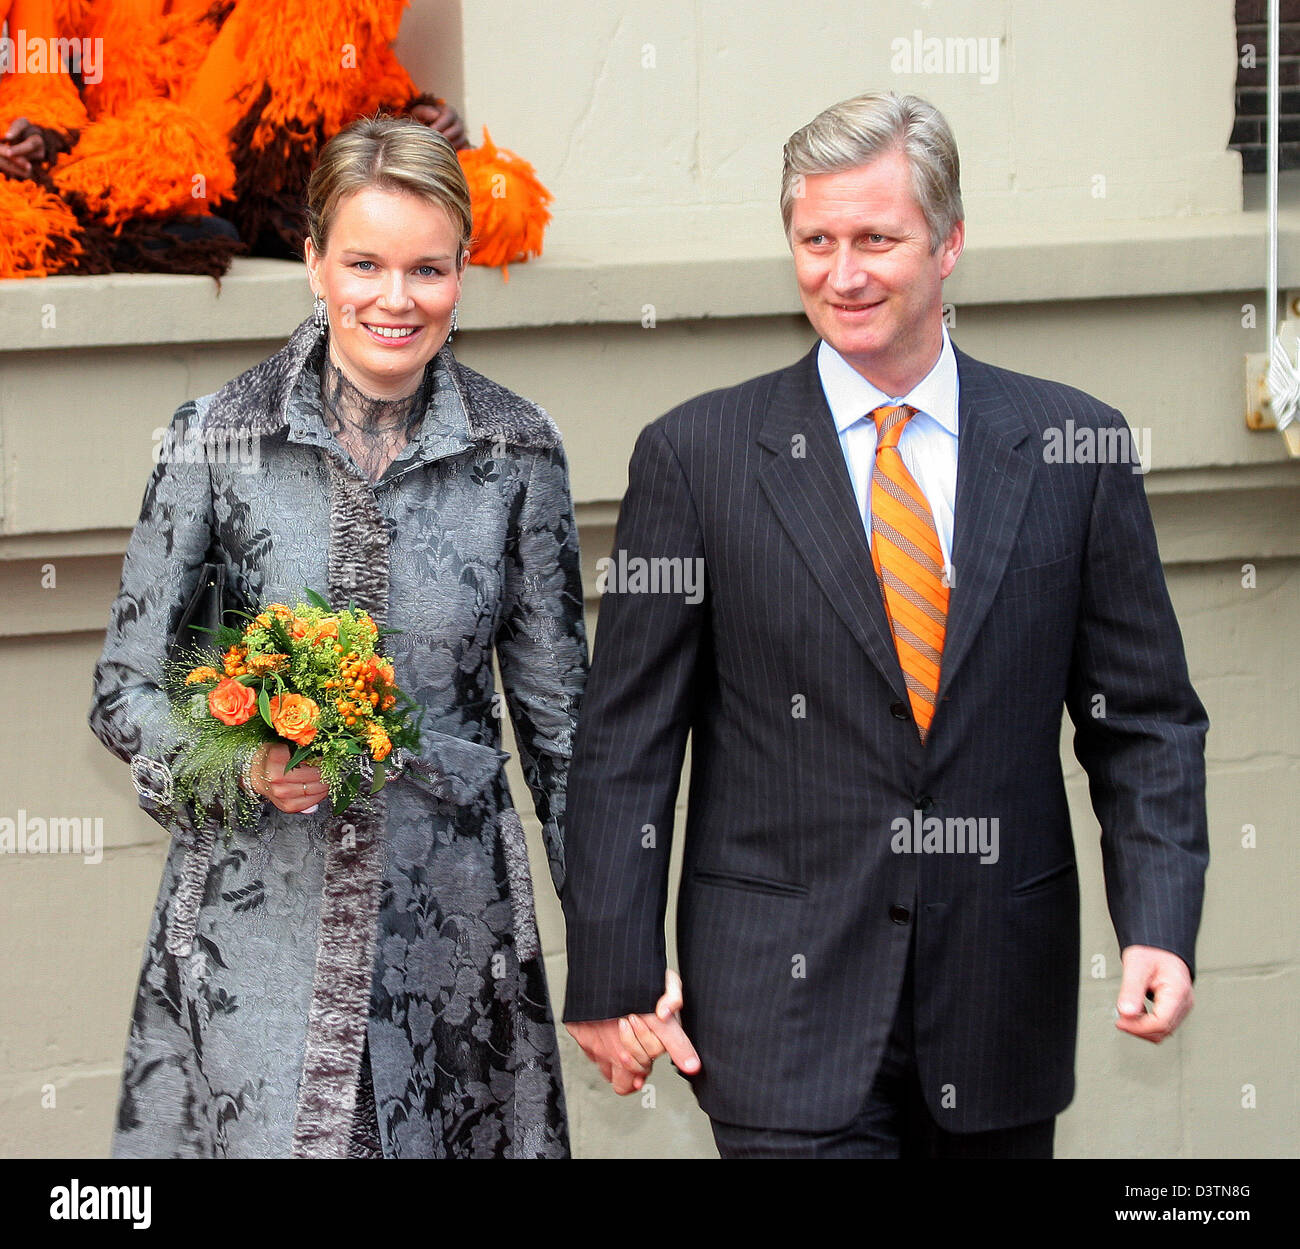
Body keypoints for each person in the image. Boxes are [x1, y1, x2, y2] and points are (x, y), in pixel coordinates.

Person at [559, 91, 1209, 1158]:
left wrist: (1159, 923)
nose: (842, 273)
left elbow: (1143, 720)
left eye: (876, 239)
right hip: (777, 1010)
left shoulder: (1074, 447)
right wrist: (612, 967)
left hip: (998, 1006)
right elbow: (625, 740)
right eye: (815, 241)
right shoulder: (696, 457)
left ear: (950, 243)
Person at [89, 115, 587, 1158]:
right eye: (364, 263)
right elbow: (125, 691)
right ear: (315, 261)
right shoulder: (217, 436)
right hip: (256, 933)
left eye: (427, 269)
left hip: (449, 936)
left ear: (461, 274)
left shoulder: (518, 450)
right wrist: (243, 759)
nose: (395, 298)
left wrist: (615, 949)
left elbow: (560, 732)